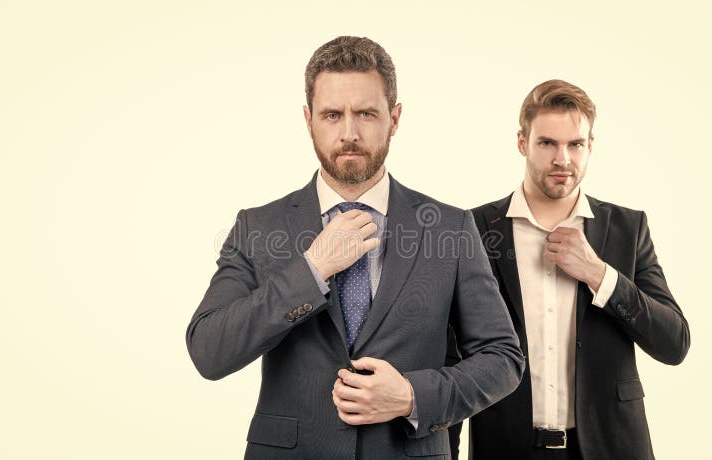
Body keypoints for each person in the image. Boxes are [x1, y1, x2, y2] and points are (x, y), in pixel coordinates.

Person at [185, 36, 523, 460]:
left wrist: (411, 396)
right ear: (308, 120)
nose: (349, 133)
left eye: (366, 113)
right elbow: (209, 350)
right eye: (332, 115)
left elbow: (502, 358)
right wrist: (311, 270)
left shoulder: (451, 228)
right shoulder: (258, 226)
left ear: (394, 118)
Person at [449, 79, 691, 460]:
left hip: (612, 447)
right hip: (506, 447)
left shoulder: (628, 229)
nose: (562, 159)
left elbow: (674, 342)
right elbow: (451, 356)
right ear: (522, 142)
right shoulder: (473, 229)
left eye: (575, 144)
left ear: (590, 145)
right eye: (547, 143)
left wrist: (600, 275)